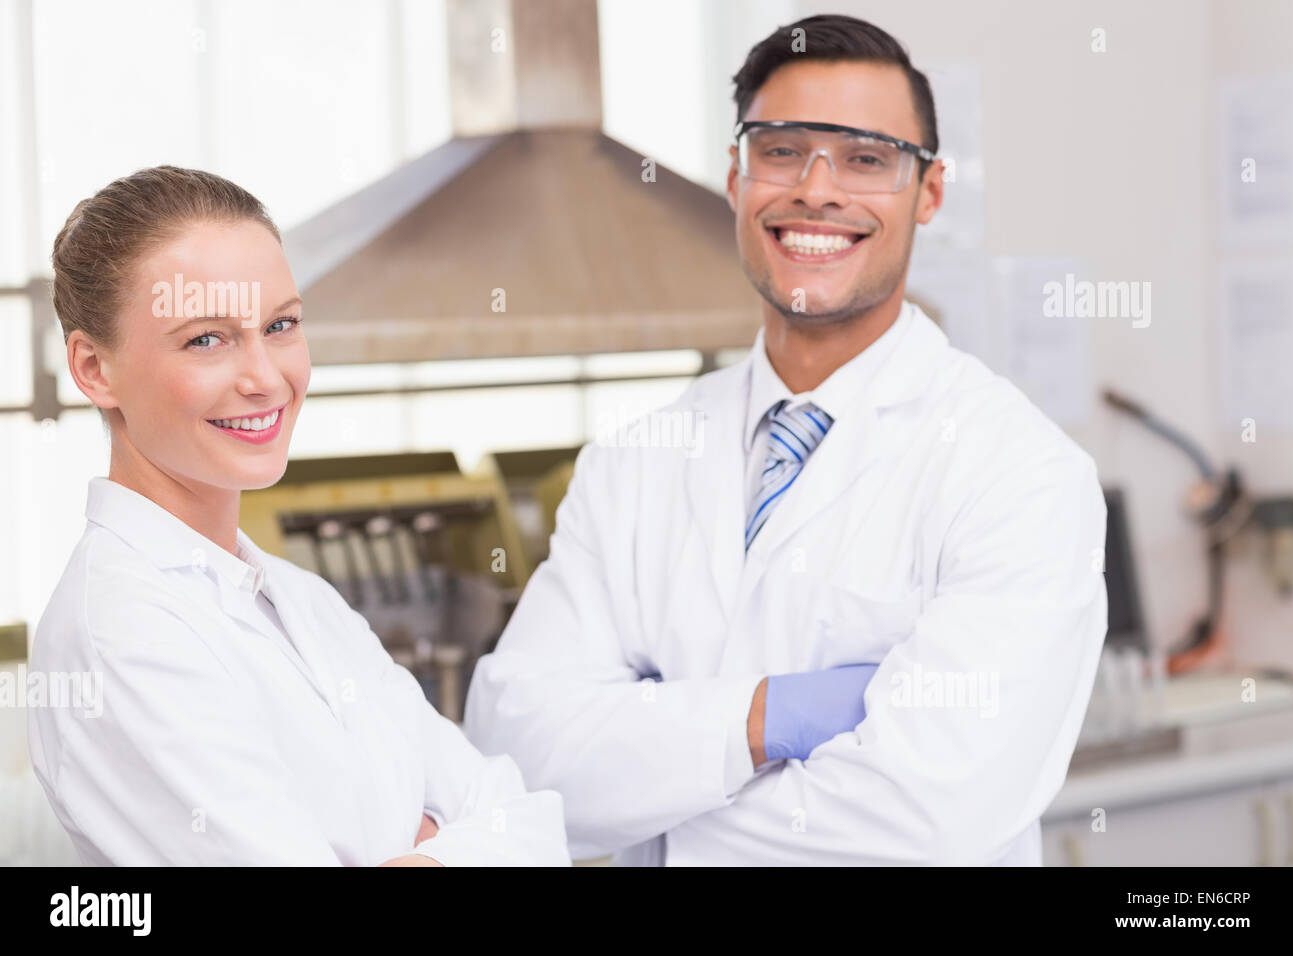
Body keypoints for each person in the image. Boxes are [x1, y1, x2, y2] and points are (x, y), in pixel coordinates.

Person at [463, 14, 1108, 865]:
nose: (816, 189)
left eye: (866, 158)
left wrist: (654, 798)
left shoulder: (1019, 473)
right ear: (736, 176)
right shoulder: (633, 461)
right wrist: (770, 716)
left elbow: (930, 812)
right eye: (781, 150)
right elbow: (515, 755)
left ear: (930, 192)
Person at [28, 166, 569, 866]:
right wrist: (446, 840)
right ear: (95, 370)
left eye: (280, 325)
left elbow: (528, 822)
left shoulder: (301, 601)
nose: (264, 377)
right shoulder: (122, 634)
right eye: (206, 339)